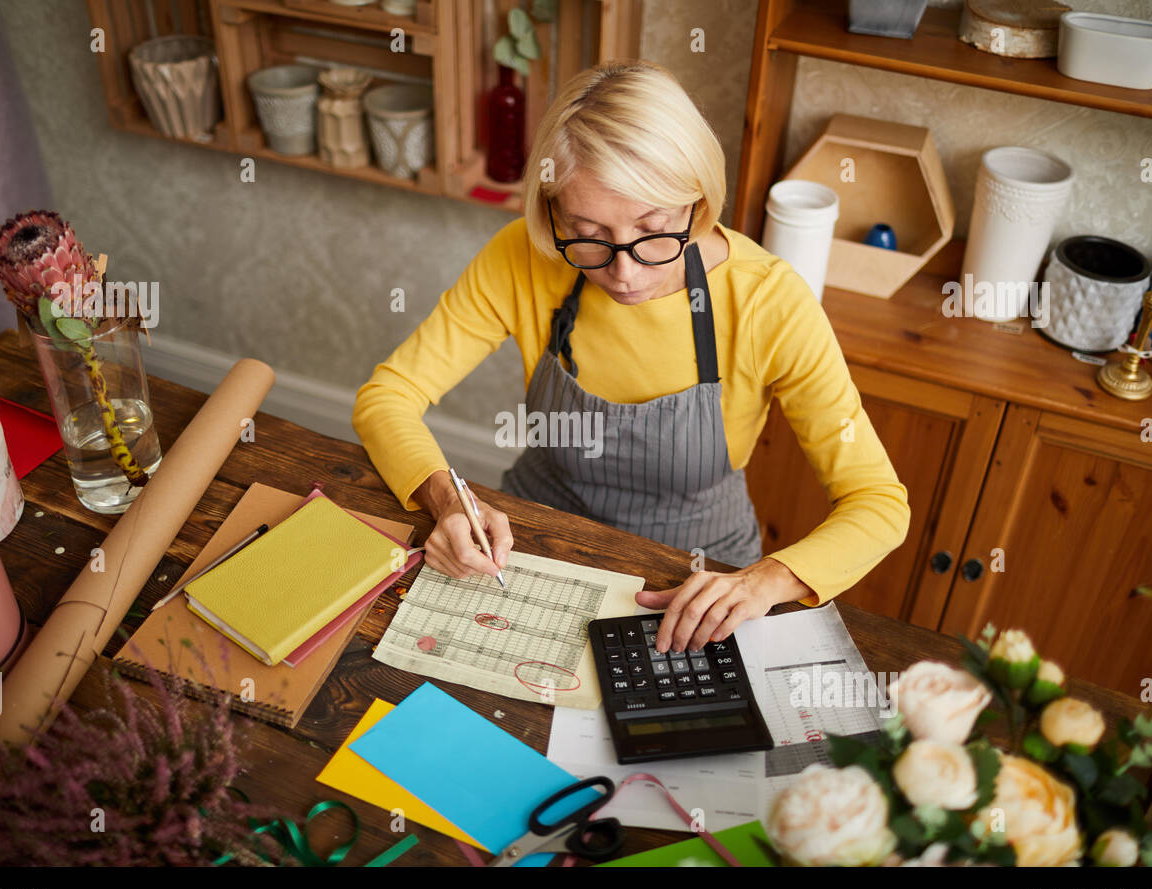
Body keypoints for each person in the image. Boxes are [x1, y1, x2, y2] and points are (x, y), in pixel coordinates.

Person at [353, 61, 910, 654]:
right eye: (589, 234)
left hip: (698, 576)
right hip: (537, 547)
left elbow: (877, 504)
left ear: (697, 201)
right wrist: (446, 499)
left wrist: (765, 581)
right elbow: (387, 397)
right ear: (552, 213)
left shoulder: (769, 301)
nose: (622, 273)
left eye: (652, 230)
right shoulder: (521, 257)